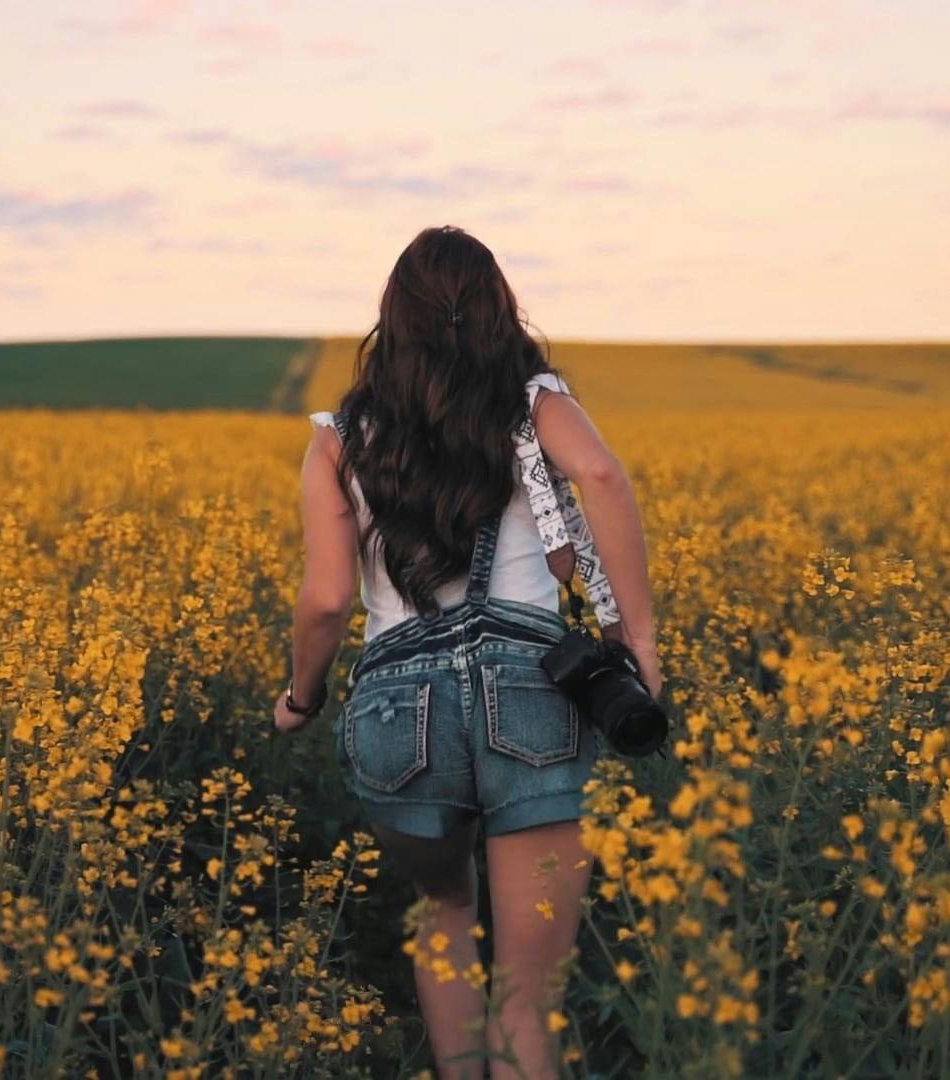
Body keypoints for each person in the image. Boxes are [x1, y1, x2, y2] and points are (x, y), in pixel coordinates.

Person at [272, 224, 662, 1079]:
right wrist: (636, 639)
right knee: (528, 991)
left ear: (393, 321)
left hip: (395, 709)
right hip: (532, 688)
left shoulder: (340, 436)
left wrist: (301, 697)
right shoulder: (533, 401)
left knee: (442, 914)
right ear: (497, 310)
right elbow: (600, 477)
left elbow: (330, 599)